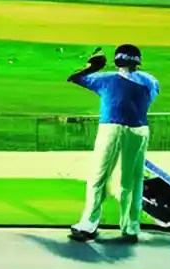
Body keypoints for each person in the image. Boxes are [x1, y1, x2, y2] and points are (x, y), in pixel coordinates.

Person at [67, 44, 159, 244]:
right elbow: (149, 98)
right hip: (139, 130)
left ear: (117, 60)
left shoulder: (105, 79)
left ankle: (89, 224)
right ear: (137, 61)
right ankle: (131, 227)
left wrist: (91, 68)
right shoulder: (150, 80)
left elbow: (73, 78)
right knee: (132, 181)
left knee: (99, 177)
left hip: (111, 128)